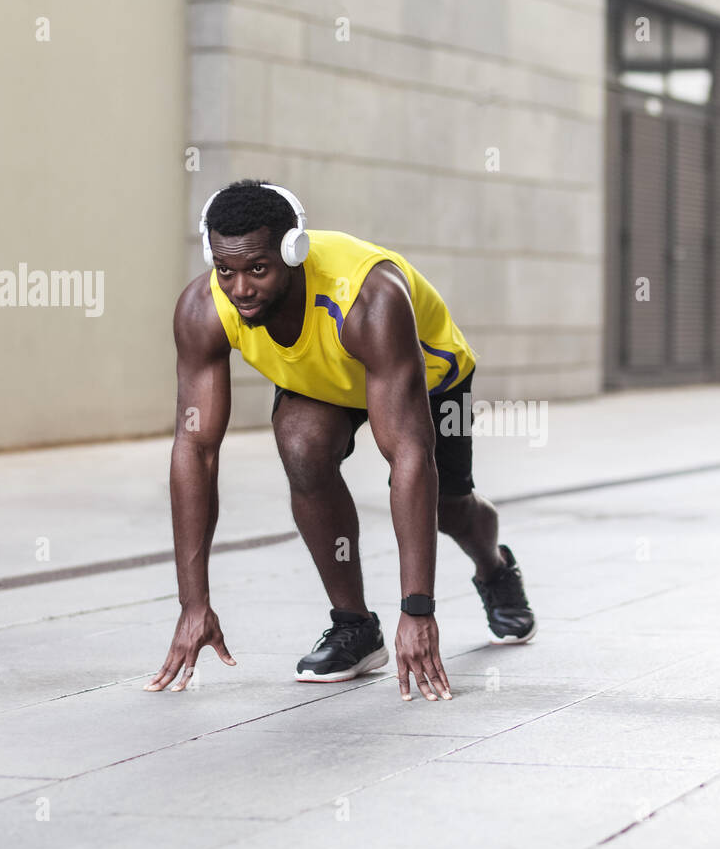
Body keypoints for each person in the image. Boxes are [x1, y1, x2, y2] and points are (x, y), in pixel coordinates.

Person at [144, 180, 535, 702]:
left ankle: (495, 567)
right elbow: (195, 449)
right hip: (323, 379)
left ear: (293, 252)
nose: (240, 289)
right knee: (302, 447)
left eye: (258, 269)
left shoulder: (369, 297)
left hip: (430, 376)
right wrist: (193, 604)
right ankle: (355, 625)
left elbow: (409, 455)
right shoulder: (204, 308)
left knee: (446, 507)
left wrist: (418, 610)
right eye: (226, 270)